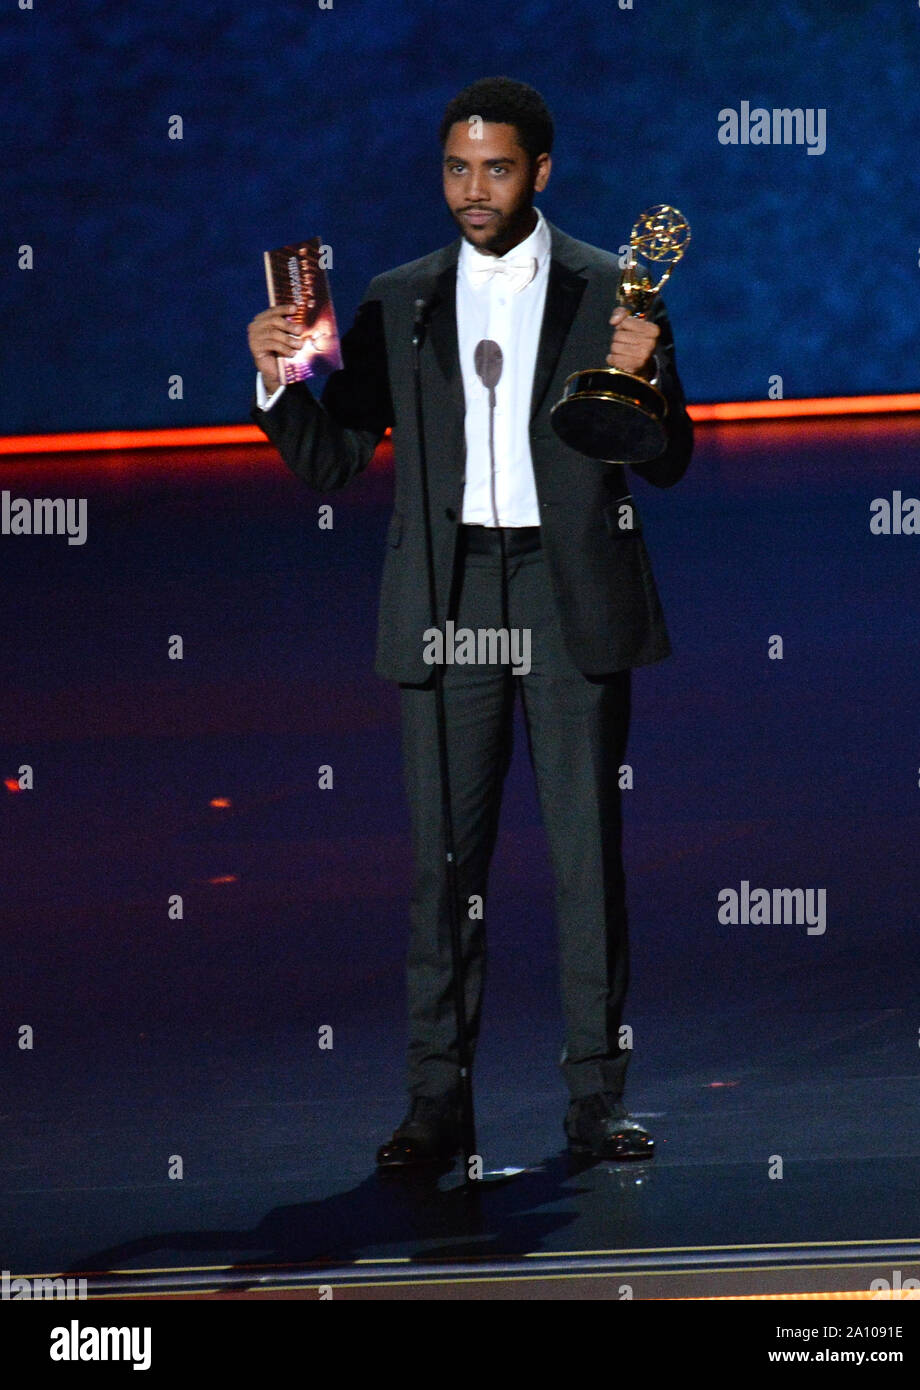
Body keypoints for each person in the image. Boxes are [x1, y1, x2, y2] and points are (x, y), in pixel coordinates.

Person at [247, 76, 693, 1167]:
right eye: (456, 168)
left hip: (565, 591)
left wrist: (649, 379)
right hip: (449, 600)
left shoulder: (608, 286)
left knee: (586, 857)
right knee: (441, 867)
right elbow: (332, 457)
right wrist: (273, 384)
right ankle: (435, 1105)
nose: (473, 188)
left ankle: (595, 1100)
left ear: (538, 171)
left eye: (495, 168)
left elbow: (666, 456)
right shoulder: (398, 299)